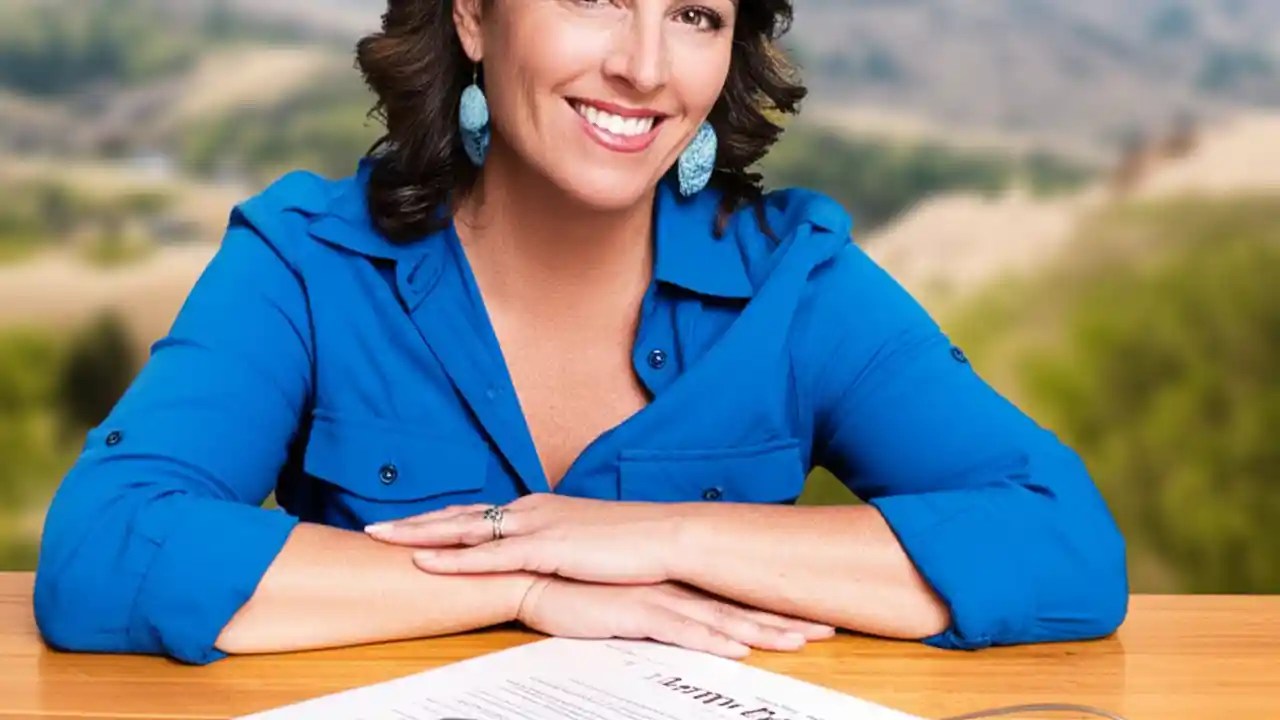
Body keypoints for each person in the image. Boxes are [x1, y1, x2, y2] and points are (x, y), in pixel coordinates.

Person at [32, 0, 1128, 666]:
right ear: (472, 16)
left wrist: (661, 540)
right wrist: (521, 584)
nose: (645, 67)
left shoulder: (799, 284)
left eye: (694, 16)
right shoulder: (305, 262)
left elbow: (1063, 546)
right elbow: (101, 550)